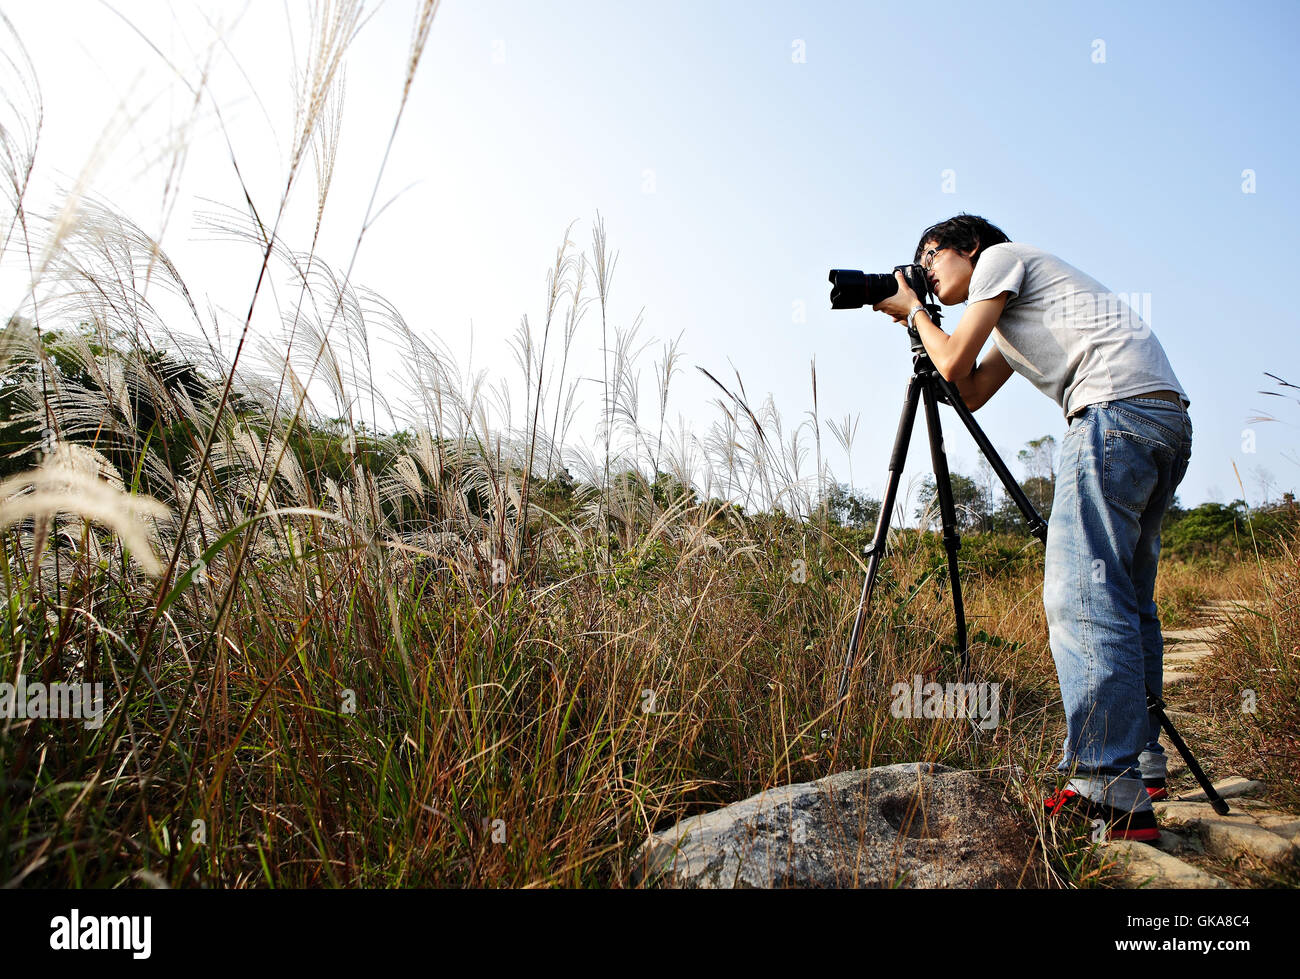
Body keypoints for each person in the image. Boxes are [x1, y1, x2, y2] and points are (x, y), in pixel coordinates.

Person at [871, 213, 1192, 843]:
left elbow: (956, 353)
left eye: (930, 257)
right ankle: (1143, 766)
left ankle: (1107, 789)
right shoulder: (1024, 311)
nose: (927, 274)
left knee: (1082, 598)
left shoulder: (999, 258)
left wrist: (916, 315)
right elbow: (968, 389)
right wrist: (922, 333)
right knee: (1127, 600)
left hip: (1110, 419)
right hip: (1162, 422)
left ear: (967, 247)